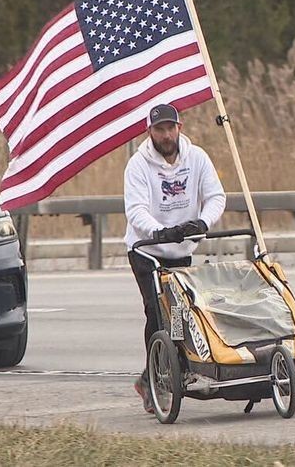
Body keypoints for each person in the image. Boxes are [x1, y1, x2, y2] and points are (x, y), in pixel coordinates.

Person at [123, 103, 226, 413]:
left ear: (179, 128)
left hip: (182, 249)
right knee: (157, 315)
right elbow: (136, 210)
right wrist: (160, 231)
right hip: (146, 250)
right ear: (150, 132)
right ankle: (158, 379)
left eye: (170, 128)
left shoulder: (197, 158)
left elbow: (216, 196)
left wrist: (203, 223)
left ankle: (158, 376)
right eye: (159, 129)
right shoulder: (138, 165)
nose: (166, 135)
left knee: (181, 317)